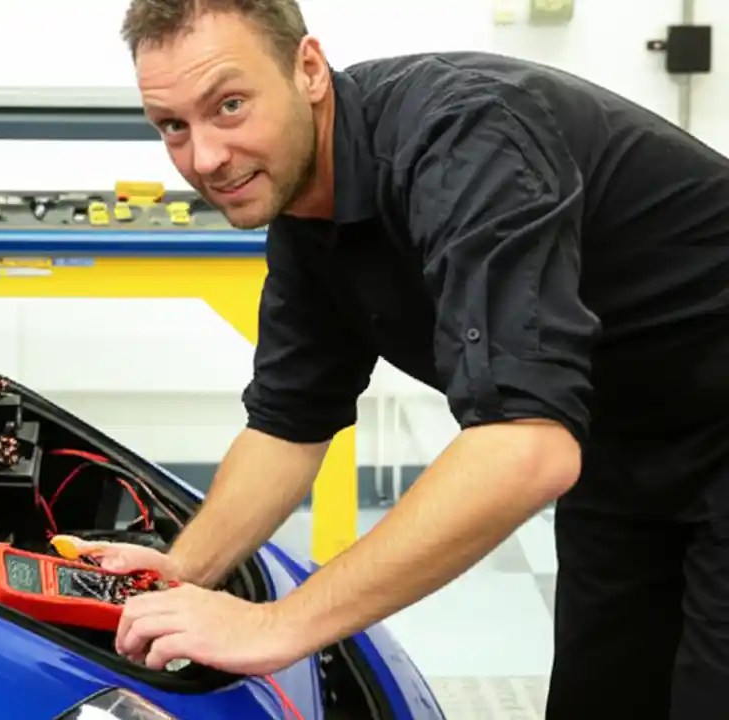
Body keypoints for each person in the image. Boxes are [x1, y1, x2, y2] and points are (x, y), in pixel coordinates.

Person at [64, 1, 729, 717]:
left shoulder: (467, 139)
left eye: (229, 105)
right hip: (628, 445)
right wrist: (180, 571)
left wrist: (275, 625)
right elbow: (289, 424)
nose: (206, 158)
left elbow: (528, 447)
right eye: (174, 127)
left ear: (308, 69)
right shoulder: (305, 207)